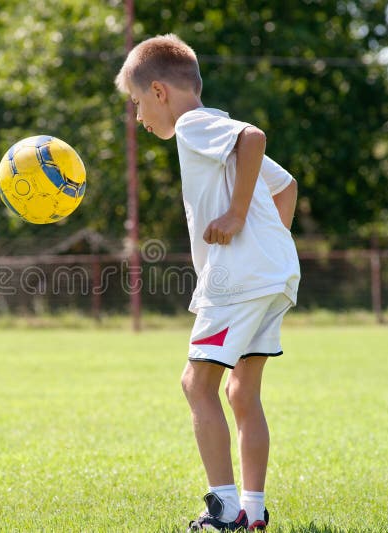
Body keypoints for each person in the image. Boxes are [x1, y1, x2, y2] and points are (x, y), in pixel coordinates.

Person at [115, 34, 300, 532]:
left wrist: (238, 217)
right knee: (242, 392)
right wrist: (265, 246)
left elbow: (254, 138)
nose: (137, 117)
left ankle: (223, 513)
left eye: (136, 103)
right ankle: (254, 511)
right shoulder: (212, 125)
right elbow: (286, 187)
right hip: (274, 276)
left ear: (159, 92)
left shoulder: (195, 125)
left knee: (197, 384)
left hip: (237, 279)